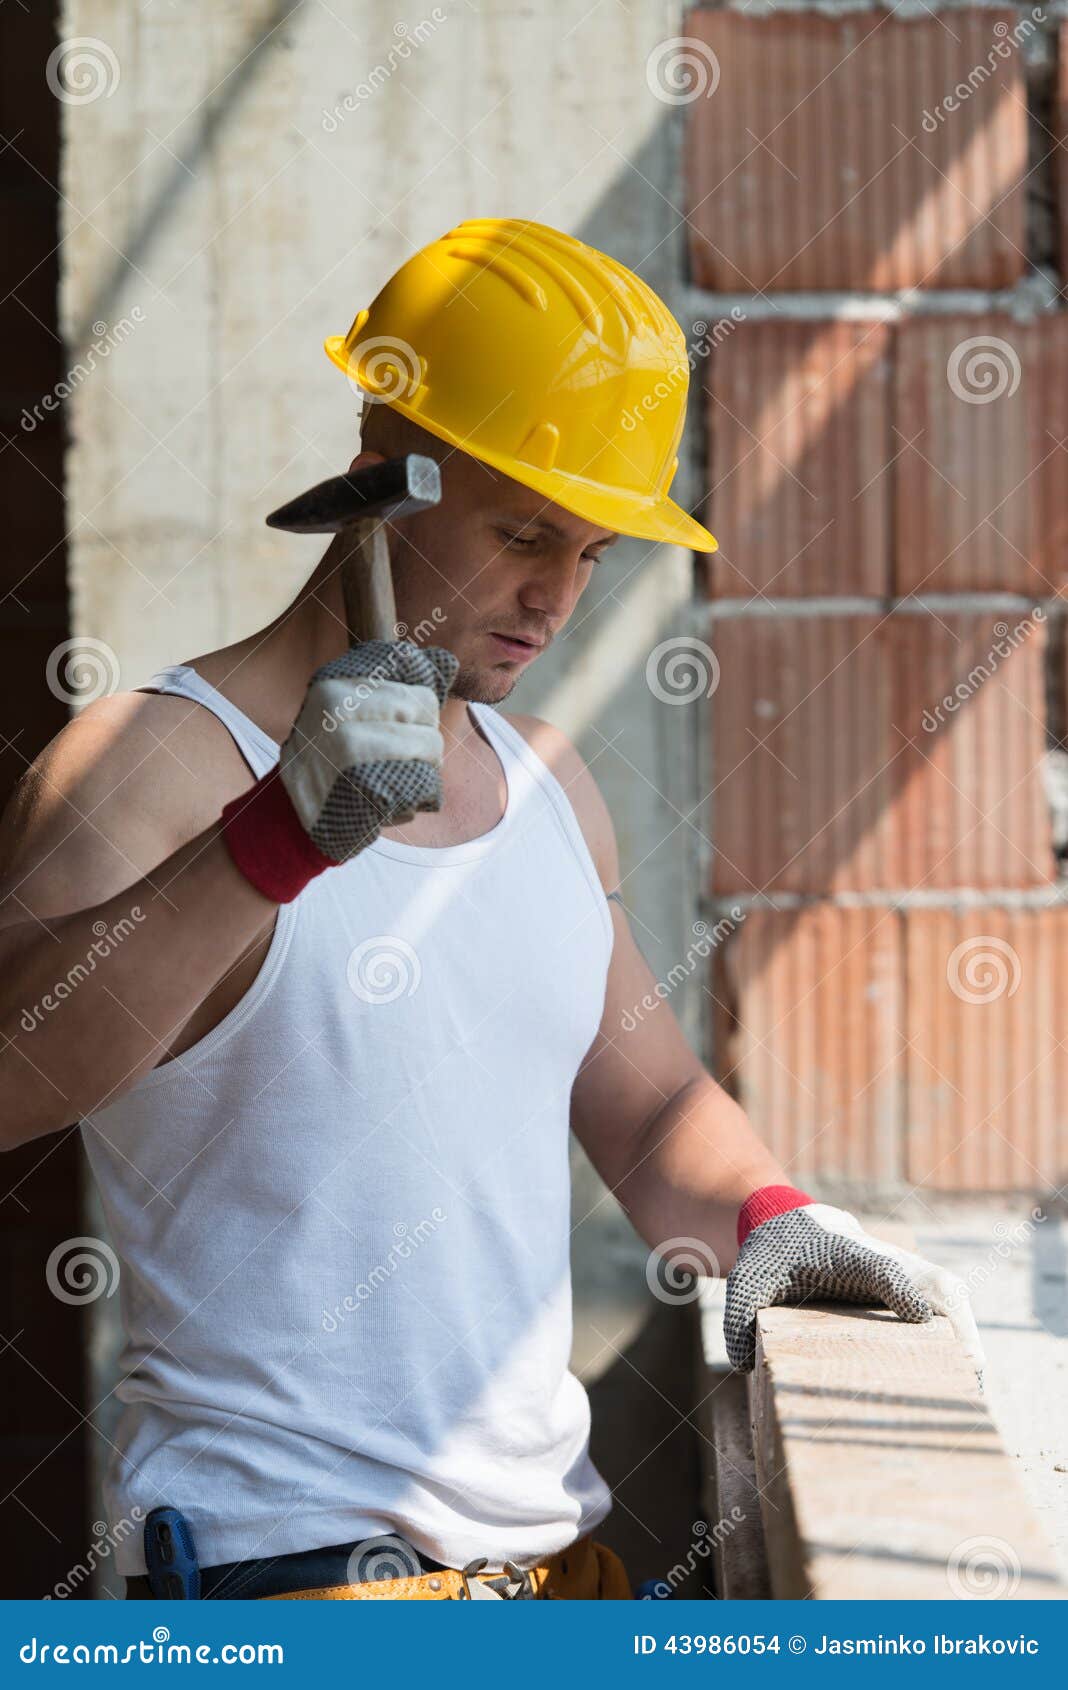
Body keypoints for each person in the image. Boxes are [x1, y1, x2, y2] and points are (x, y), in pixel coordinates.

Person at [0, 218, 983, 1602]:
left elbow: (646, 1104)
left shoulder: (546, 783)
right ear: (381, 484)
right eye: (523, 534)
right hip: (294, 1589)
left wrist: (771, 1218)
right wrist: (273, 838)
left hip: (549, 1574)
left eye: (592, 553)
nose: (553, 597)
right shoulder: (151, 761)